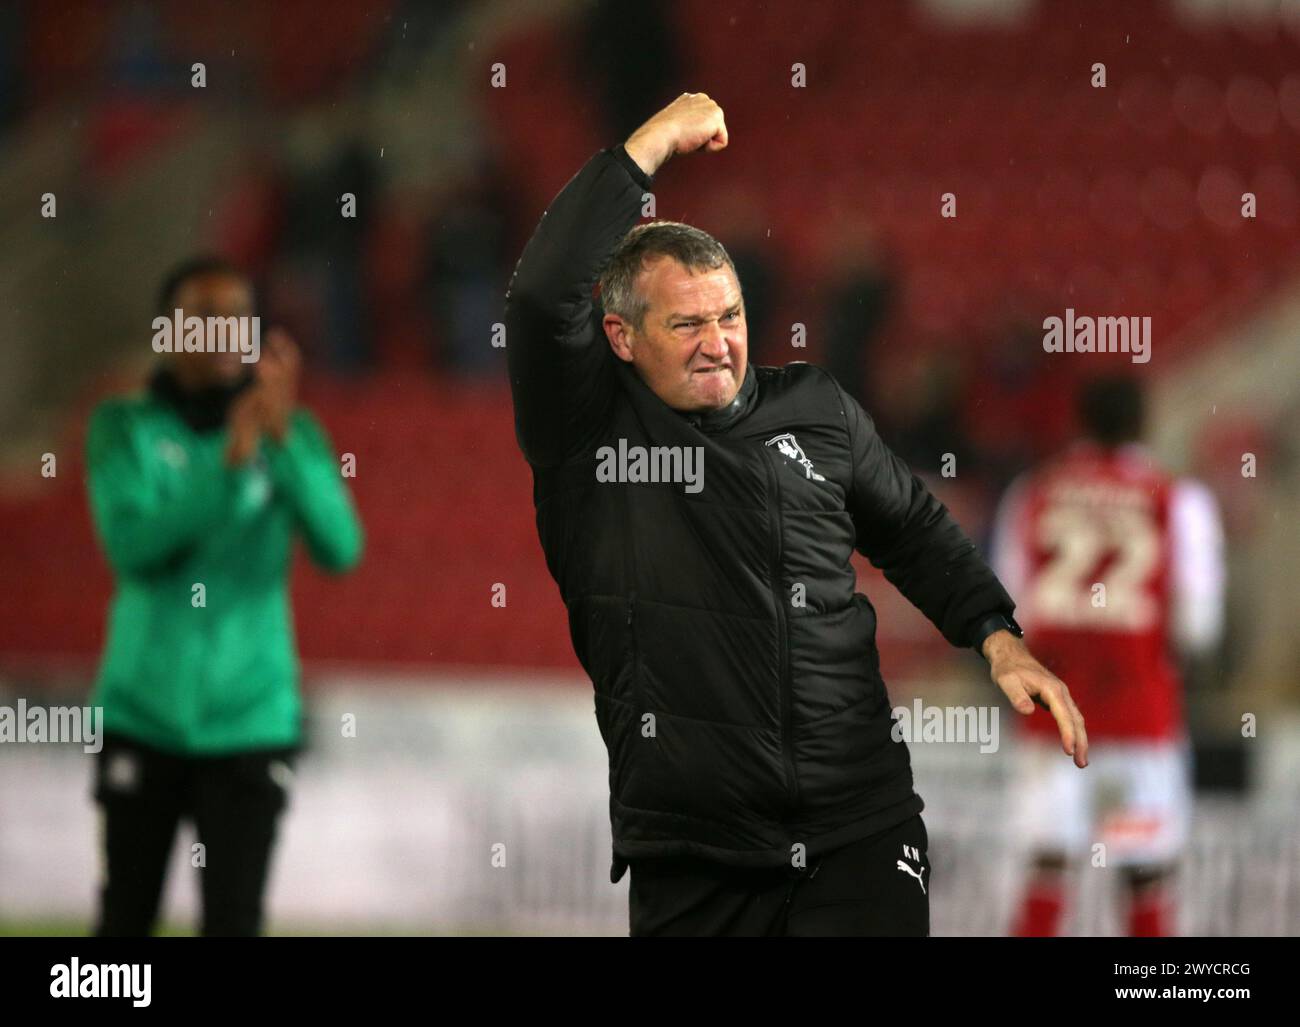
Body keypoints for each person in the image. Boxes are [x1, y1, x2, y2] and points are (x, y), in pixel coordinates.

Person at [504, 93, 1088, 937]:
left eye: (730, 315)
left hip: (858, 827)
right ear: (622, 337)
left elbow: (914, 527)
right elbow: (538, 298)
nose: (719, 341)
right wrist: (649, 147)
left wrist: (996, 632)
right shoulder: (588, 432)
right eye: (687, 323)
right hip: (692, 856)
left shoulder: (816, 406)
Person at [85, 256, 364, 936]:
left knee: (234, 922)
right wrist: (228, 464)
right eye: (202, 318)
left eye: (235, 320)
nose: (221, 334)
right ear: (166, 331)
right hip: (142, 716)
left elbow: (340, 548)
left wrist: (279, 438)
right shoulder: (123, 428)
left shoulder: (292, 436)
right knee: (123, 921)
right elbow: (134, 548)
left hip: (251, 721)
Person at [993, 374, 1224, 937]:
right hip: (1139, 716)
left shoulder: (1034, 492)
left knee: (1048, 870)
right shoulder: (1178, 499)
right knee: (1144, 874)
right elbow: (1198, 625)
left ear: (1080, 422)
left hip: (1053, 717)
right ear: (1145, 422)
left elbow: (1006, 608)